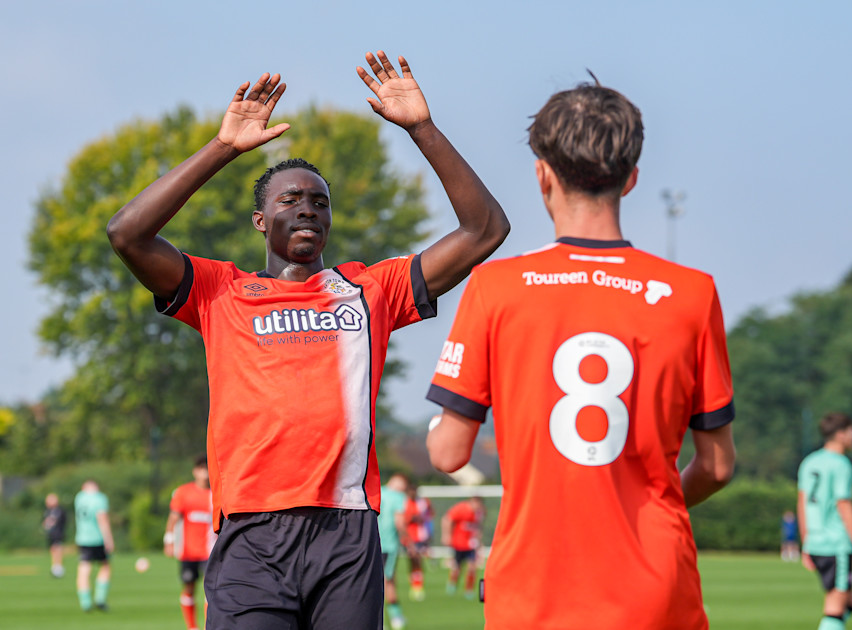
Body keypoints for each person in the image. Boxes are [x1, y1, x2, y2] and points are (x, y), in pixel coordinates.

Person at [106, 50, 508, 630]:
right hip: (251, 533)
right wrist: (223, 148)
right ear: (260, 221)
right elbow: (128, 233)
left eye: (319, 202)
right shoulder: (221, 290)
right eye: (289, 200)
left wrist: (422, 128)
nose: (307, 210)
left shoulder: (370, 290)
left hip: (345, 531)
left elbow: (485, 229)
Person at [425, 77, 735, 629]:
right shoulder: (692, 293)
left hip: (531, 588)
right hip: (654, 583)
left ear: (542, 174)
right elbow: (716, 465)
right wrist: (650, 501)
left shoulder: (497, 288)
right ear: (632, 179)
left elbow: (449, 453)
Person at [797, 412, 852, 630]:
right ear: (840, 434)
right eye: (851, 431)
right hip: (835, 543)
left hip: (817, 543)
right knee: (835, 607)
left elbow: (802, 504)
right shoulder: (841, 464)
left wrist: (806, 544)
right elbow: (844, 505)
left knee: (848, 602)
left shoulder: (809, 462)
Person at [165, 455, 215, 630]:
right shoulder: (184, 492)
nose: (205, 473)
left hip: (210, 552)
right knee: (189, 588)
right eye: (201, 469)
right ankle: (192, 626)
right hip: (188, 552)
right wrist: (169, 541)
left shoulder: (217, 494)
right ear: (195, 471)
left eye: (207, 469)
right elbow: (173, 517)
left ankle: (209, 626)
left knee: (210, 591)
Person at [74, 480, 114, 612]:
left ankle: (85, 602)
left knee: (84, 568)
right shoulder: (99, 498)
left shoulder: (79, 497)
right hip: (97, 538)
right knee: (105, 566)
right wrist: (109, 539)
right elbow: (102, 519)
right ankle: (100, 599)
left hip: (82, 538)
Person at [378, 473, 411, 630]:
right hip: (389, 545)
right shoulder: (398, 497)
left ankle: (384, 618)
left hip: (373, 543)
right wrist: (407, 538)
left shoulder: (377, 491)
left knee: (376, 580)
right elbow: (399, 521)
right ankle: (393, 618)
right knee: (388, 581)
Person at [441, 496, 484, 599]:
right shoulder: (461, 509)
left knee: (472, 567)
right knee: (457, 568)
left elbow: (477, 528)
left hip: (471, 545)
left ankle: (469, 590)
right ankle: (452, 584)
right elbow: (447, 519)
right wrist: (446, 535)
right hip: (459, 544)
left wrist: (479, 542)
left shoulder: (479, 513)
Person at [403, 482, 434, 601]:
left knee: (417, 559)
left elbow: (430, 515)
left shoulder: (423, 503)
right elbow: (403, 520)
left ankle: (418, 587)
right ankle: (414, 583)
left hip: (421, 537)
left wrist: (428, 528)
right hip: (408, 537)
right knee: (412, 561)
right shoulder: (404, 503)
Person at [42, 493, 67, 578]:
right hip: (51, 534)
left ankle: (59, 566)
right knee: (52, 549)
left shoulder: (59, 510)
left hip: (58, 533)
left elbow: (59, 521)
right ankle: (54, 566)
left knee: (57, 548)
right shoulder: (48, 511)